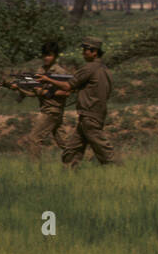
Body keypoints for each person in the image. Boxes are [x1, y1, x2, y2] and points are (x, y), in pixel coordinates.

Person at [37, 36, 119, 168]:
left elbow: (68, 86)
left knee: (104, 150)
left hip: (90, 115)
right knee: (71, 151)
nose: (83, 53)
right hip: (92, 115)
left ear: (94, 52)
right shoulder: (105, 69)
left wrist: (47, 79)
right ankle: (69, 175)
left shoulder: (89, 68)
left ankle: (118, 170)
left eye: (86, 50)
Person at [21, 40, 71, 161]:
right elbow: (35, 92)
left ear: (55, 56)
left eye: (49, 55)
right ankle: (84, 160)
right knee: (65, 143)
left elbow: (67, 92)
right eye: (44, 55)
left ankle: (34, 171)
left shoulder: (60, 72)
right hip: (47, 109)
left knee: (34, 139)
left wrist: (46, 91)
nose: (46, 58)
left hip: (52, 110)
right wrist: (18, 87)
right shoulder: (41, 70)